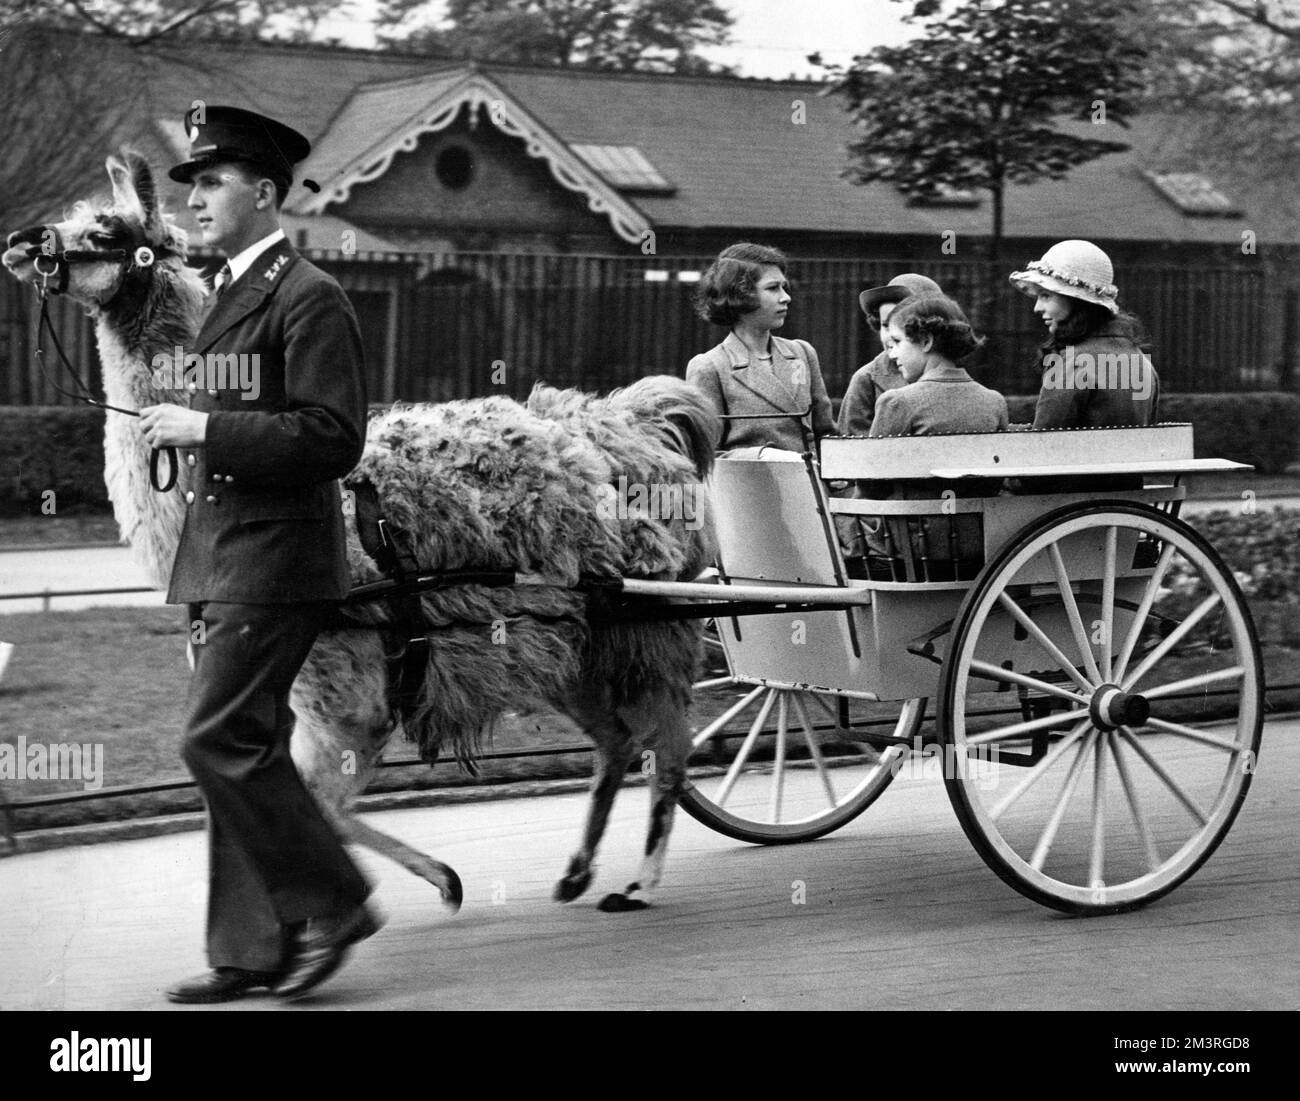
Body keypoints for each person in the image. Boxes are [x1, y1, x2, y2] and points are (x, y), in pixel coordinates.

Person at [139, 106, 375, 1003]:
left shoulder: (310, 294)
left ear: (265, 193)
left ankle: (337, 901)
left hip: (276, 563)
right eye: (192, 184)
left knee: (216, 738)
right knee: (248, 741)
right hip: (225, 556)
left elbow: (331, 436)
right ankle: (250, 952)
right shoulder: (235, 289)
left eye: (211, 182)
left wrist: (206, 426)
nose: (194, 199)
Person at [848, 295, 1007, 578]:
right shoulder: (994, 401)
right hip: (978, 550)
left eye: (897, 343)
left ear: (925, 342)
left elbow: (869, 487)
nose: (892, 354)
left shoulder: (897, 402)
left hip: (909, 555)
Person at [1008, 239, 1159, 490]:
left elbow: (1042, 453)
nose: (1037, 307)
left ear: (1076, 301)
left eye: (1046, 295)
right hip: (1124, 511)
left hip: (1067, 507)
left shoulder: (1073, 364)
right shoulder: (1142, 362)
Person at [686, 243, 834, 454]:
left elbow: (827, 435)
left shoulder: (802, 353)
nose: (786, 297)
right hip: (751, 485)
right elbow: (705, 455)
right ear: (741, 295)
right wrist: (762, 456)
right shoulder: (710, 367)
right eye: (773, 288)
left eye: (784, 287)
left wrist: (835, 475)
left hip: (809, 485)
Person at [837, 273, 943, 436]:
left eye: (902, 324)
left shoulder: (951, 373)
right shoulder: (866, 380)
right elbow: (850, 449)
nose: (891, 335)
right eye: (885, 325)